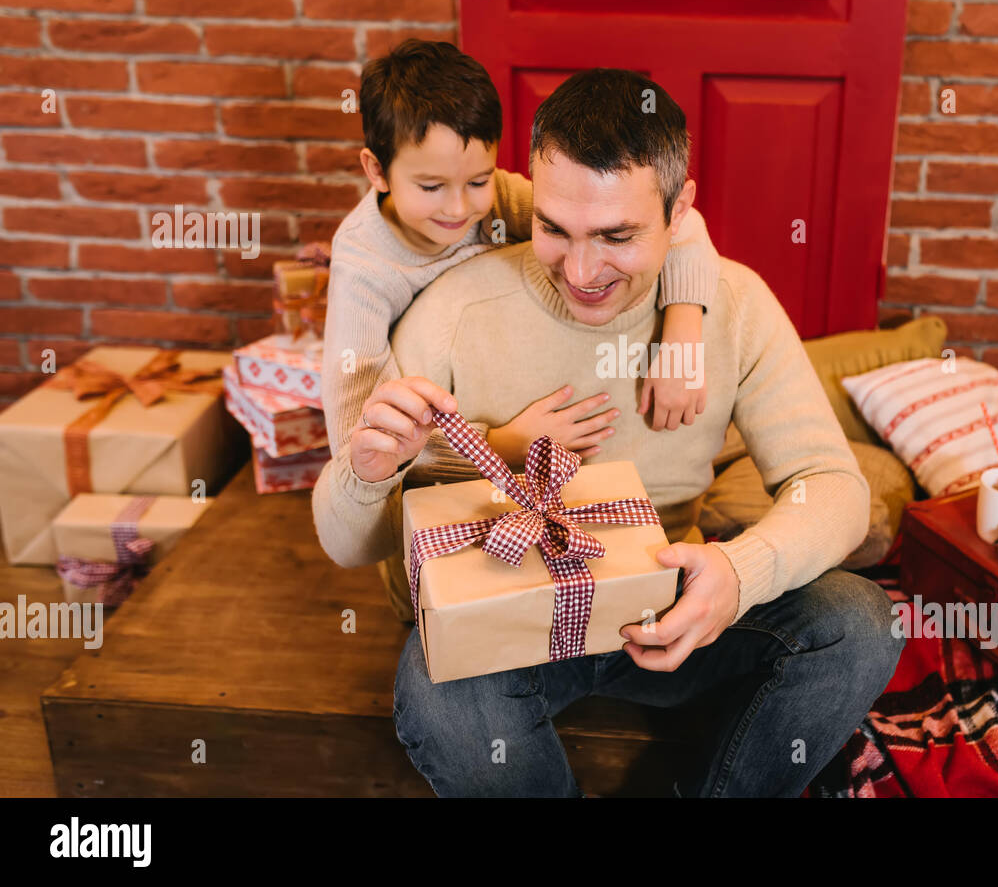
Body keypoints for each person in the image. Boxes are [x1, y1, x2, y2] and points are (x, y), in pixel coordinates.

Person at [312, 68, 903, 797]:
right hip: (506, 614)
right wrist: (369, 471)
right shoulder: (452, 308)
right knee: (438, 696)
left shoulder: (733, 304)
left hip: (671, 608)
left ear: (680, 210)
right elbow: (346, 543)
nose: (583, 270)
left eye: (617, 235)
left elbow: (834, 485)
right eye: (554, 229)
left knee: (861, 622)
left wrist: (742, 571)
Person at [322, 39, 721, 471]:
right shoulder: (361, 273)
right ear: (376, 170)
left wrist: (683, 336)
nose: (459, 209)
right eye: (431, 187)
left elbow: (679, 225)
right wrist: (501, 444)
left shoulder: (502, 200)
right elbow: (361, 446)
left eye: (477, 180)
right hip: (448, 432)